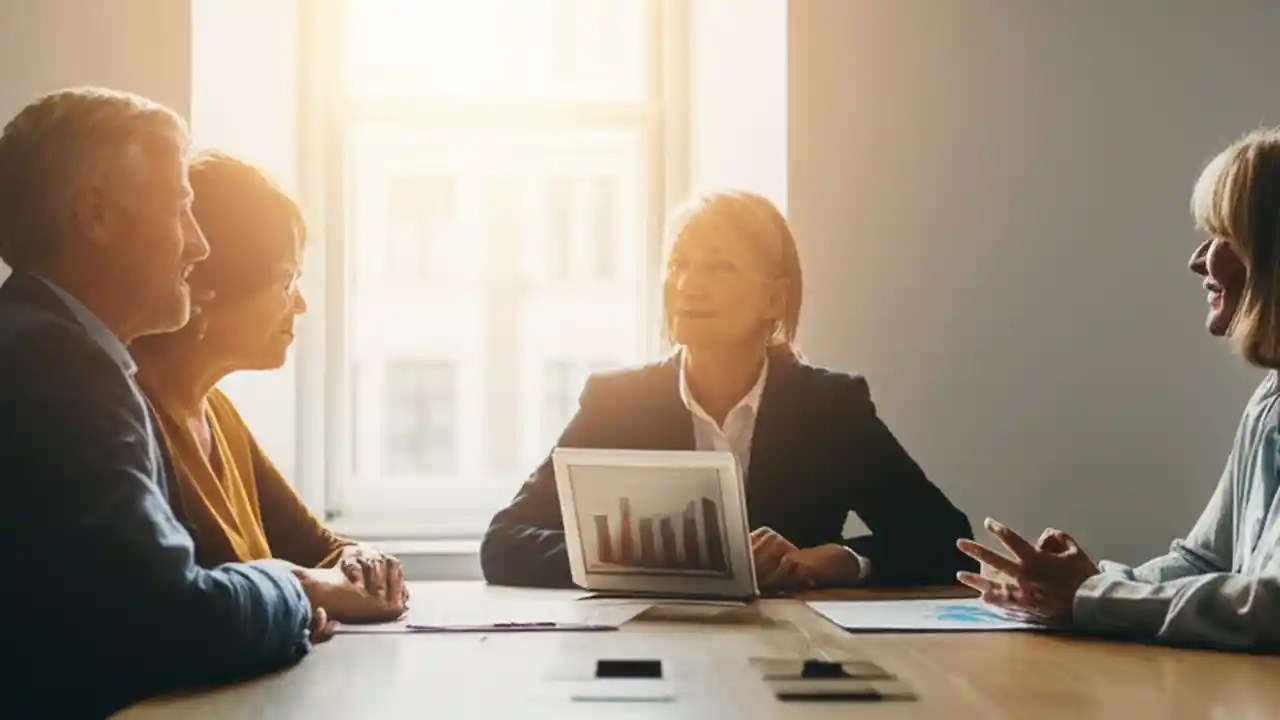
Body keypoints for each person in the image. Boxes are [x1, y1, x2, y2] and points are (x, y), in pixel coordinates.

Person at [0, 88, 331, 717]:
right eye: (182, 209)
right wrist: (290, 586)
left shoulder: (44, 346)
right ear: (98, 215)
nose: (200, 246)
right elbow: (173, 621)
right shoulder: (59, 369)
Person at [481, 190, 975, 590]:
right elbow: (504, 542)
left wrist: (836, 561)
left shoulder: (829, 406)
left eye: (719, 267)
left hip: (795, 647)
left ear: (774, 298)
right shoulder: (619, 402)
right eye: (679, 264)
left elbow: (944, 538)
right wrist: (632, 559)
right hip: (657, 647)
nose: (689, 285)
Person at [957, 128, 1280, 652]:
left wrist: (1089, 596)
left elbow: (1270, 608)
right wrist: (1083, 585)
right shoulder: (1271, 397)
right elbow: (1206, 562)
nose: (1198, 260)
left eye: (1222, 236)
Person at [130, 150, 408, 623]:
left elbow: (317, 548)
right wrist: (312, 591)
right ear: (208, 292)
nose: (298, 304)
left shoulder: (216, 410)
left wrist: (363, 562)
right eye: (285, 281)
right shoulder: (129, 415)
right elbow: (176, 598)